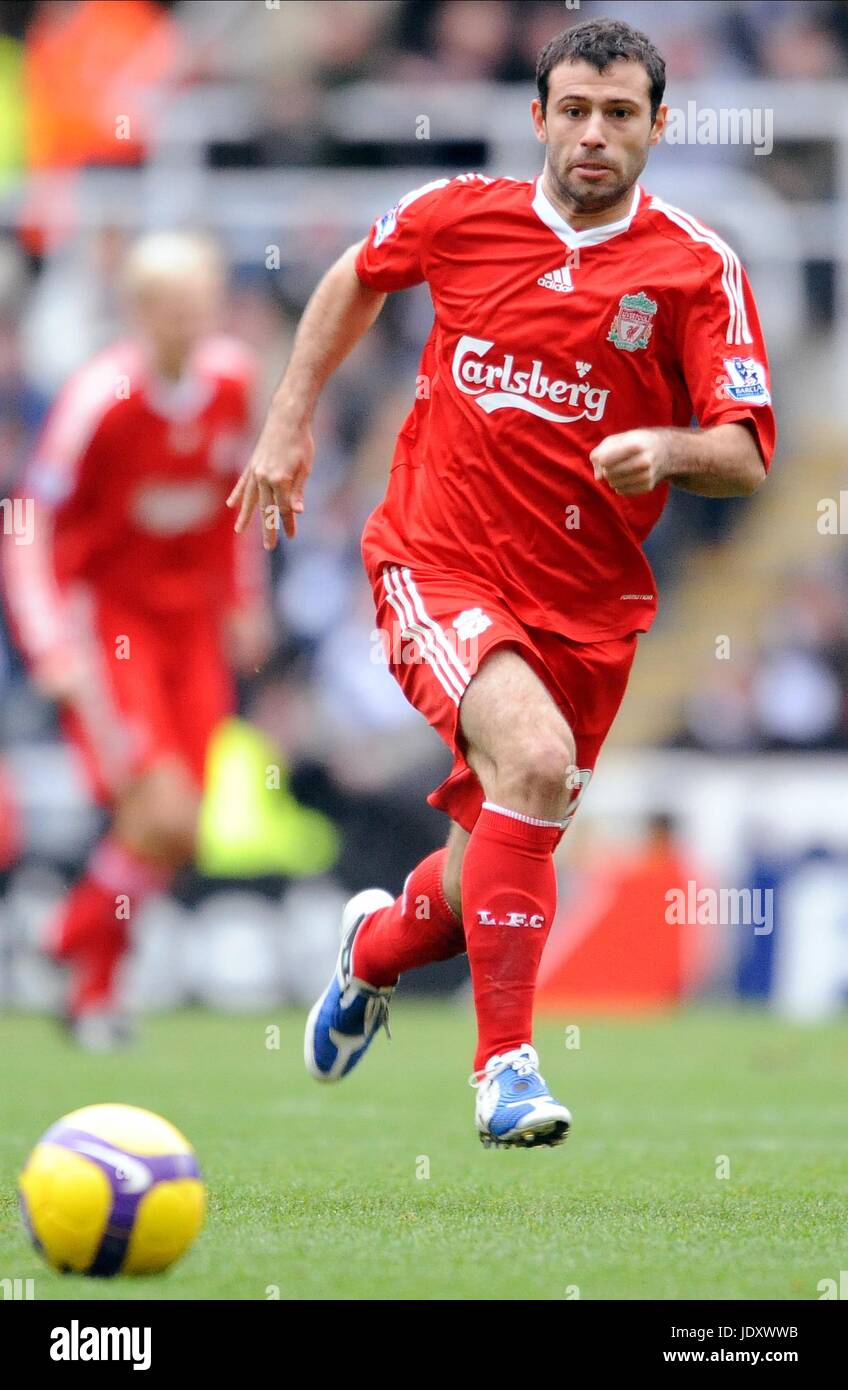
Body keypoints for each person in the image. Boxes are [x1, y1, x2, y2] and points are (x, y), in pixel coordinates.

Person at [228, 18, 776, 1148]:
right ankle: (503, 1071)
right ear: (536, 118)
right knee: (531, 757)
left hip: (588, 607)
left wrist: (665, 448)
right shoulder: (462, 215)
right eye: (571, 110)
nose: (591, 134)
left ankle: (370, 951)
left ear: (656, 127)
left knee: (478, 887)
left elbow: (746, 453)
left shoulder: (692, 266)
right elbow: (354, 276)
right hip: (437, 560)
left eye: (617, 114)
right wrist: (287, 426)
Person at [3, 231, 269, 1049]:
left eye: (204, 303)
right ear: (141, 311)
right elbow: (26, 522)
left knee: (181, 829)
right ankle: (76, 957)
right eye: (176, 306)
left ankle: (80, 971)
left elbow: (234, 500)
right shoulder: (99, 401)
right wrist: (47, 641)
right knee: (155, 809)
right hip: (110, 626)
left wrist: (242, 598)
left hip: (190, 629)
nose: (194, 321)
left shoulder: (232, 383)